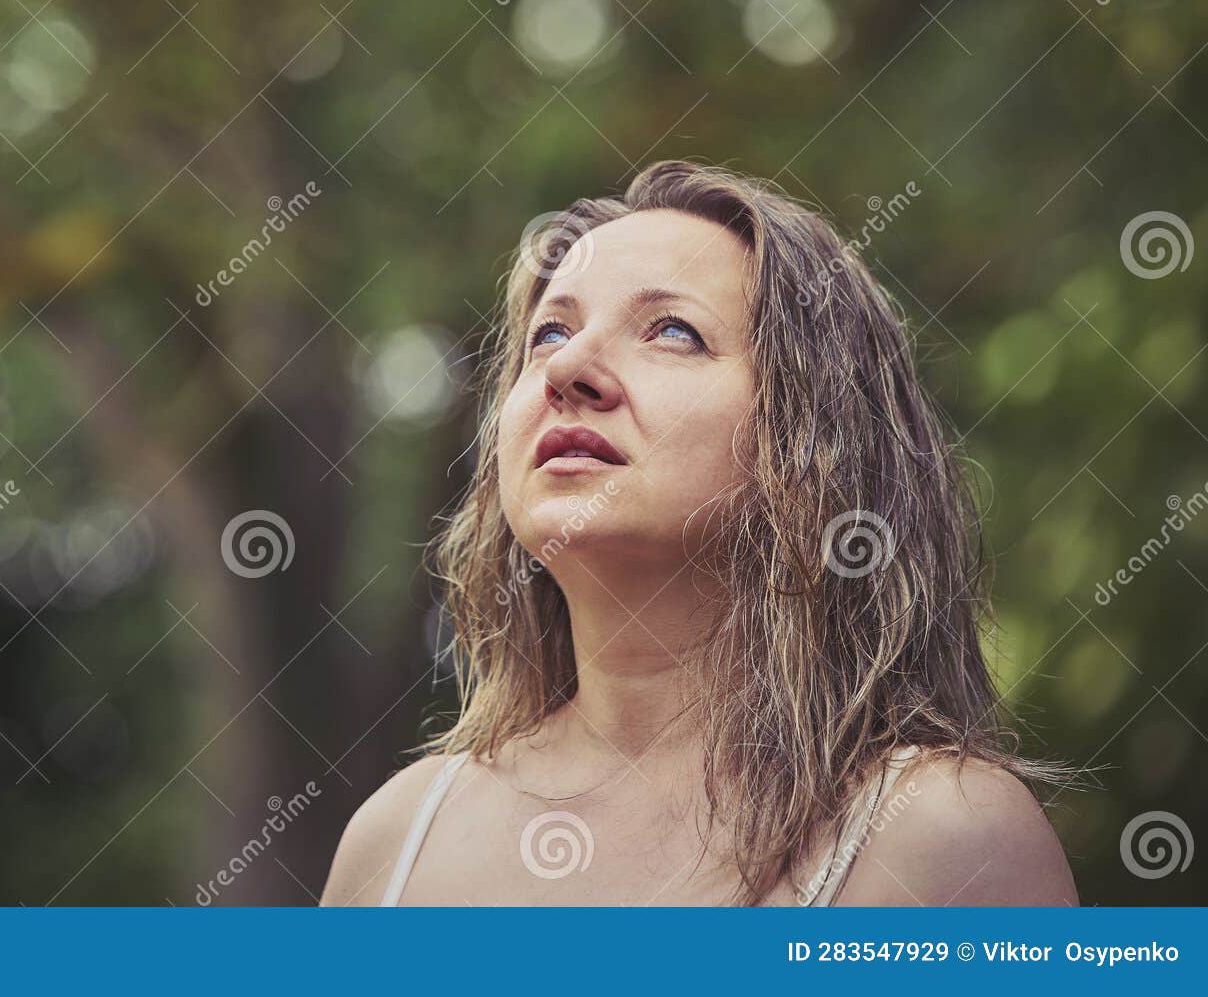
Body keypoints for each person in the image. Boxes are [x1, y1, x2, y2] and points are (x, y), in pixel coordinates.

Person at [320, 161, 1077, 907]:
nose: (569, 367)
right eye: (549, 334)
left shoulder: (945, 840)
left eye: (673, 332)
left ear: (813, 443)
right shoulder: (392, 848)